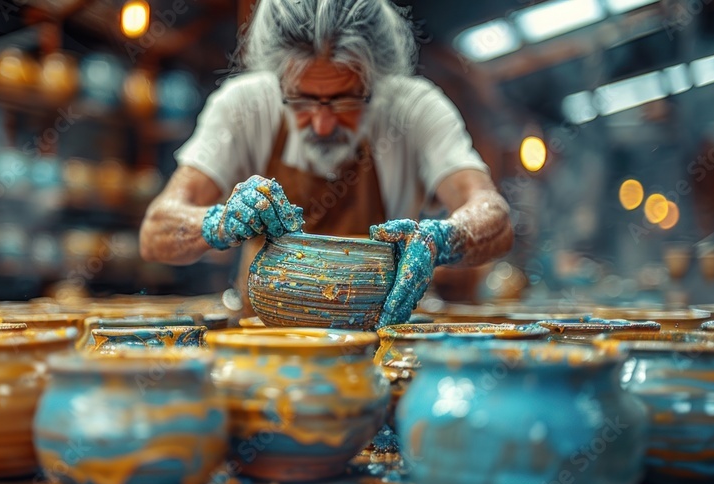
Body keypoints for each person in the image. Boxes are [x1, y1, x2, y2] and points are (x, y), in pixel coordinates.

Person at [140, 0, 513, 327]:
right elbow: (155, 232)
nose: (321, 124)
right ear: (278, 77)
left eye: (344, 99)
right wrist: (217, 222)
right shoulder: (244, 106)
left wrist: (441, 239)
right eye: (300, 99)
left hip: (377, 342)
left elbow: (493, 215)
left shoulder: (413, 109)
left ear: (376, 78)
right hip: (266, 340)